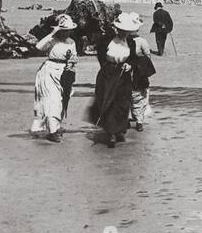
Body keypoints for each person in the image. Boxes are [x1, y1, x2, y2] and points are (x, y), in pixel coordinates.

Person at [90, 13, 151, 147]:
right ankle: (111, 132)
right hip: (107, 74)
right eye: (122, 30)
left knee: (123, 103)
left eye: (127, 31)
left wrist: (130, 65)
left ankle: (119, 130)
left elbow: (133, 59)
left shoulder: (131, 42)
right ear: (118, 29)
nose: (125, 33)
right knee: (109, 101)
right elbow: (101, 56)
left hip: (124, 75)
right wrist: (109, 66)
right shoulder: (107, 40)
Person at [30, 14, 77, 142]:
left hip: (64, 72)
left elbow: (73, 59)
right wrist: (52, 33)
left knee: (62, 100)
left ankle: (55, 126)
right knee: (52, 101)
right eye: (64, 30)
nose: (67, 33)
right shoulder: (52, 40)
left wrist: (71, 68)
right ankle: (52, 131)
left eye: (68, 30)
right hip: (49, 71)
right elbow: (38, 47)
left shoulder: (71, 42)